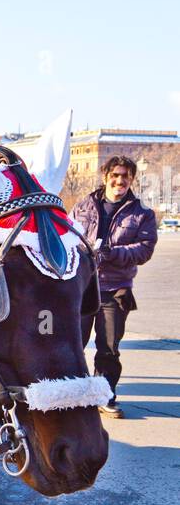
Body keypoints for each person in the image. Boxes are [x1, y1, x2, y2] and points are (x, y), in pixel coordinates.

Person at [71, 154, 157, 418]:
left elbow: (144, 250)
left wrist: (111, 252)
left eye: (125, 177)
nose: (120, 181)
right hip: (81, 285)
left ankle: (103, 395)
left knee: (108, 346)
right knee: (74, 342)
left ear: (131, 179)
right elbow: (67, 234)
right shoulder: (84, 205)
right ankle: (73, 394)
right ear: (105, 176)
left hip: (115, 288)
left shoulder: (142, 213)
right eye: (115, 175)